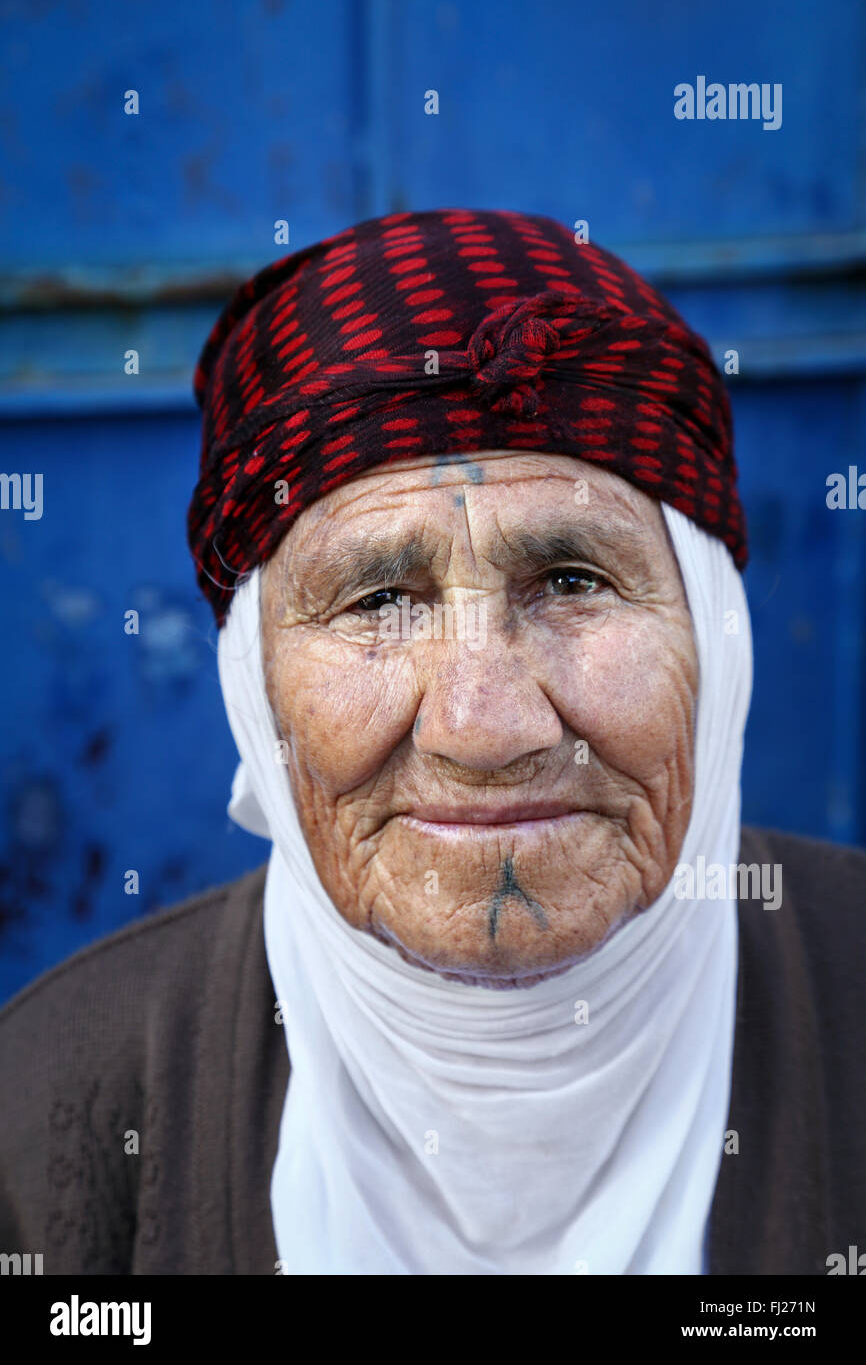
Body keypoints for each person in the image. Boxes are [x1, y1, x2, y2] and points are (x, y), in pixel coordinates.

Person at [1, 208, 863, 1275]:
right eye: (374, 599)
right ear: (252, 684)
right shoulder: (53, 1110)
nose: (483, 727)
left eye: (571, 581)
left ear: (713, 642)